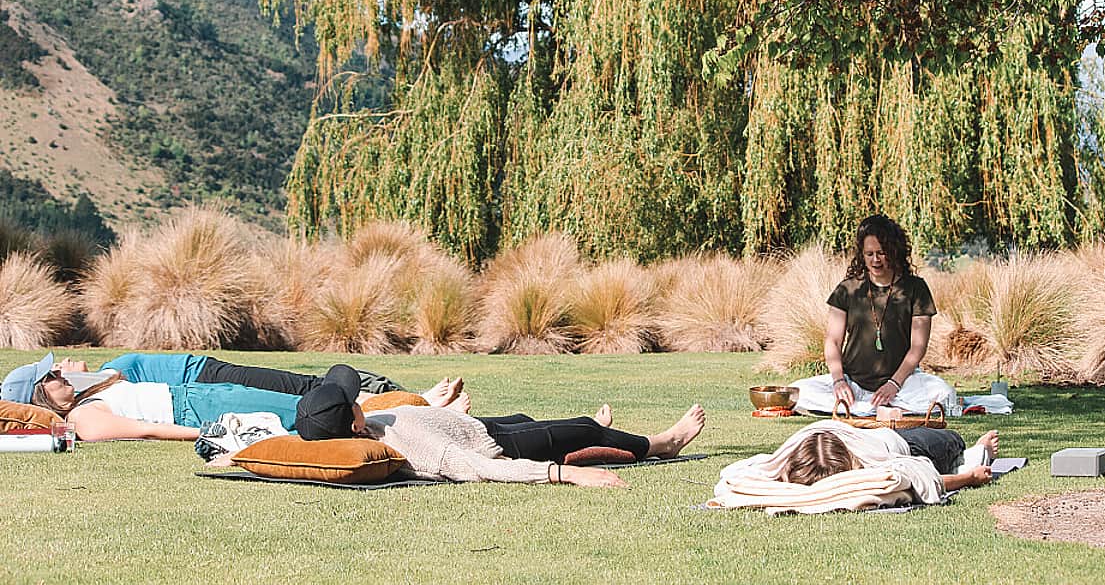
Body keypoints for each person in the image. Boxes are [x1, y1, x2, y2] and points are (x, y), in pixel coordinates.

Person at [214, 365, 707, 488]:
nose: (359, 398)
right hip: (492, 446)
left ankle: (583, 438)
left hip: (476, 426)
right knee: (580, 426)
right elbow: (475, 468)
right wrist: (566, 476)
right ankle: (660, 443)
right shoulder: (413, 447)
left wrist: (450, 413)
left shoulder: (371, 424)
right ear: (351, 423)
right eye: (352, 400)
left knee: (530, 421)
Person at [790, 214, 956, 416]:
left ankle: (867, 408)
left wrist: (894, 384)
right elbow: (833, 341)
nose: (875, 260)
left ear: (894, 252)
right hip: (853, 383)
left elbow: (918, 347)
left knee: (944, 394)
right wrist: (839, 381)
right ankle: (877, 409)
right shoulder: (847, 289)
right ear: (862, 254)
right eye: (869, 254)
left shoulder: (915, 288)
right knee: (796, 393)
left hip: (903, 384)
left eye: (882, 253)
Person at [709, 419, 996, 512]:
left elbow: (923, 479)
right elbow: (736, 474)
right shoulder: (783, 460)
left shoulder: (872, 463)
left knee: (952, 440)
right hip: (866, 433)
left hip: (901, 444)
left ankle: (973, 451)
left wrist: (968, 477)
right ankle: (972, 457)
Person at [2, 352, 464, 409]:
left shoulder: (102, 375)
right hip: (206, 378)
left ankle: (401, 396)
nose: (63, 363)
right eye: (55, 371)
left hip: (206, 369)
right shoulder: (100, 387)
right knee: (302, 387)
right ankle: (413, 401)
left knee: (299, 382)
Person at [26, 367, 305, 442]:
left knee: (291, 408)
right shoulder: (83, 418)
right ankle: (345, 423)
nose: (60, 374)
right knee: (296, 411)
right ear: (42, 396)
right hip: (194, 410)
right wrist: (206, 432)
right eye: (51, 376)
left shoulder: (85, 399)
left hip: (195, 396)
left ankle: (344, 422)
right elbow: (145, 430)